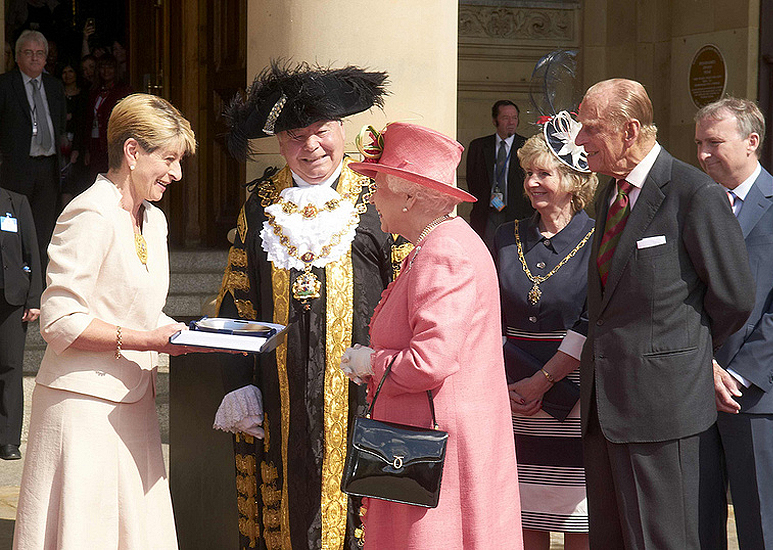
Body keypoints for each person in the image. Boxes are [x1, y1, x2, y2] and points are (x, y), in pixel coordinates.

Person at [212, 62, 407, 550]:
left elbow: (408, 294)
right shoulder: (260, 203)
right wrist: (239, 386)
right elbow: (238, 299)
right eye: (296, 136)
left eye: (321, 132)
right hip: (280, 402)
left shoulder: (379, 199)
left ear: (342, 129)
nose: (311, 147)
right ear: (280, 143)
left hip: (366, 396)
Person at [570, 78, 755, 549]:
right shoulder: (607, 196)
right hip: (604, 410)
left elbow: (733, 297)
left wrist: (685, 355)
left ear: (628, 131)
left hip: (664, 411)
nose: (579, 140)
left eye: (590, 129)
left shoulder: (695, 194)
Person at [13, 93, 198, 549]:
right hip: (81, 407)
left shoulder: (153, 221)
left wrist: (186, 332)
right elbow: (59, 321)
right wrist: (146, 340)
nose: (176, 173)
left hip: (132, 405)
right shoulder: (88, 212)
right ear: (133, 152)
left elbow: (133, 305)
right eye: (169, 159)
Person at [341, 122, 523, 549]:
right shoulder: (437, 243)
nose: (370, 197)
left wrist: (372, 362)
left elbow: (430, 362)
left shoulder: (443, 250)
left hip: (437, 451)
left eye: (376, 184)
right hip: (435, 440)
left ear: (408, 195)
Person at [695, 97, 773, 550]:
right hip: (693, 386)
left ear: (751, 142)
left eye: (714, 143)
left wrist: (736, 376)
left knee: (763, 525)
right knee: (696, 523)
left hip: (754, 394)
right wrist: (702, 366)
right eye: (698, 143)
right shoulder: (693, 203)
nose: (702, 154)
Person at [493, 112, 596, 550]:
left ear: (572, 180)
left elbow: (591, 322)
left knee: (579, 524)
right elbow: (486, 314)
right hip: (512, 398)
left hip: (573, 402)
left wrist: (544, 380)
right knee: (521, 520)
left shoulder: (598, 236)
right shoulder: (502, 236)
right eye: (527, 174)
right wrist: (517, 384)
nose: (532, 182)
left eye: (544, 173)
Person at [0, 30, 66, 284]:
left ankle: (38, 285)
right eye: (28, 53)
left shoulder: (54, 86)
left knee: (42, 230)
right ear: (17, 57)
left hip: (47, 168)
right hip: (16, 168)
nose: (35, 59)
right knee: (14, 229)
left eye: (40, 54)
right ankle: (14, 281)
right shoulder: (5, 85)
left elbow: (58, 123)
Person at [0, 188, 41, 460]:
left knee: (11, 367)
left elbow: (32, 251)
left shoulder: (16, 202)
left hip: (11, 298)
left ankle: (8, 440)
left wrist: (34, 297)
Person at [466, 99, 530, 244]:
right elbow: (472, 180)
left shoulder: (527, 146)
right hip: (487, 213)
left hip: (517, 213)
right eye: (505, 118)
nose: (511, 122)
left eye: (514, 118)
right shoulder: (479, 147)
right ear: (495, 121)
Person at [83, 52, 133, 183]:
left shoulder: (123, 91)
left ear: (116, 70)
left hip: (113, 144)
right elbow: (88, 121)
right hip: (95, 143)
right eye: (102, 67)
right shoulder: (94, 91)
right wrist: (87, 149)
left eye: (110, 67)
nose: (106, 71)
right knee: (95, 178)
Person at [60, 61, 89, 202]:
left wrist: (77, 148)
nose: (67, 75)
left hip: (78, 145)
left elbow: (82, 123)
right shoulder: (57, 94)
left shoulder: (83, 95)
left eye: (70, 71)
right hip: (59, 145)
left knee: (76, 184)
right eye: (64, 72)